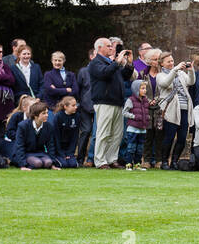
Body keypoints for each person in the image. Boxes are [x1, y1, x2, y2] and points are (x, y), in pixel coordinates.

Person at [89, 37, 133, 168]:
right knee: (103, 133)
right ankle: (100, 161)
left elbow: (125, 76)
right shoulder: (96, 63)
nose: (111, 48)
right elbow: (104, 74)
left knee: (117, 134)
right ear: (99, 48)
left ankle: (111, 159)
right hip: (104, 102)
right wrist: (117, 62)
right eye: (108, 46)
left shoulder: (111, 62)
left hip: (117, 102)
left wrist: (129, 64)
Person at [156, 51, 194, 170]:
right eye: (168, 61)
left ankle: (174, 162)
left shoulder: (181, 73)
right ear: (162, 64)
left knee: (182, 137)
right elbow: (165, 83)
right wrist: (175, 70)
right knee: (169, 136)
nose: (171, 63)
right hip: (170, 109)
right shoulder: (160, 75)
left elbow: (191, 82)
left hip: (184, 108)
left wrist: (191, 70)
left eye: (172, 61)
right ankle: (164, 162)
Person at [11, 100, 57, 169]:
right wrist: (23, 165)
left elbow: (50, 145)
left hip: (40, 153)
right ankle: (26, 163)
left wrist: (53, 164)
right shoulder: (23, 126)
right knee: (37, 163)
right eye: (44, 113)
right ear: (35, 116)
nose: (47, 115)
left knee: (48, 163)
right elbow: (20, 146)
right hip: (26, 153)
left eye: (47, 113)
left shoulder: (48, 126)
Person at [124, 79, 152, 170]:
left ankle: (137, 164)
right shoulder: (130, 100)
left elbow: (146, 111)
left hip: (142, 129)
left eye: (145, 88)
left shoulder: (145, 101)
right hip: (133, 129)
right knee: (131, 147)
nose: (145, 90)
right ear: (136, 89)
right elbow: (124, 112)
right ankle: (128, 164)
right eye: (142, 88)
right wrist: (133, 116)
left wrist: (147, 117)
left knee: (140, 148)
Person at [51, 96, 80, 167]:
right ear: (65, 107)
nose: (76, 107)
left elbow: (75, 137)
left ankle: (68, 157)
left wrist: (70, 153)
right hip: (58, 149)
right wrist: (61, 153)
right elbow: (56, 137)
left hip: (68, 149)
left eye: (76, 105)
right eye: (73, 105)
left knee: (73, 165)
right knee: (63, 164)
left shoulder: (77, 116)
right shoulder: (58, 117)